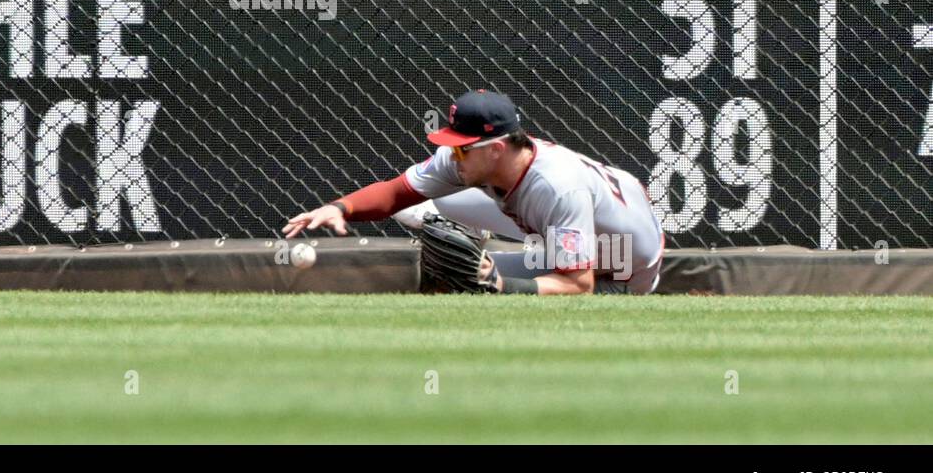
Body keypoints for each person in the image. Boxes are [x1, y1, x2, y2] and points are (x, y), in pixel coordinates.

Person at [282, 89, 665, 294]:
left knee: (485, 285)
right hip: (597, 210)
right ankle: (475, 243)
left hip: (623, 266)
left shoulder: (556, 189)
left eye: (461, 145)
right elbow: (397, 192)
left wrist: (503, 285)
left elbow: (577, 285)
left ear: (496, 148)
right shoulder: (474, 160)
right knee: (444, 199)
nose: (452, 152)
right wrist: (341, 208)